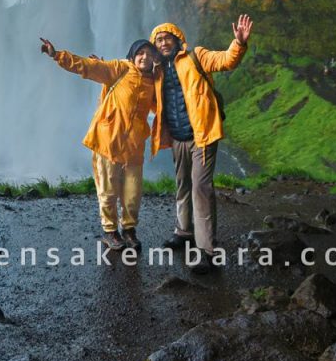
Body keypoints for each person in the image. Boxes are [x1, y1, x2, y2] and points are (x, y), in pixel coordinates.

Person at [150, 15, 252, 273]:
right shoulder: (157, 71)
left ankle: (207, 250)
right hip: (176, 137)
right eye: (158, 40)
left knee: (201, 188)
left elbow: (226, 60)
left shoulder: (196, 56)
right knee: (182, 184)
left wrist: (238, 43)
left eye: (167, 38)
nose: (163, 43)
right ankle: (184, 231)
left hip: (202, 135)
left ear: (177, 39)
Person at [39, 36, 159, 251]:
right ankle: (110, 231)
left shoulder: (154, 81)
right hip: (108, 140)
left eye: (149, 55)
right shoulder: (120, 68)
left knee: (133, 193)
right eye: (140, 53)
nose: (145, 57)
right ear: (132, 56)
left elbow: (161, 107)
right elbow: (89, 67)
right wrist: (57, 55)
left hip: (134, 145)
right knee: (108, 190)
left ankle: (129, 230)